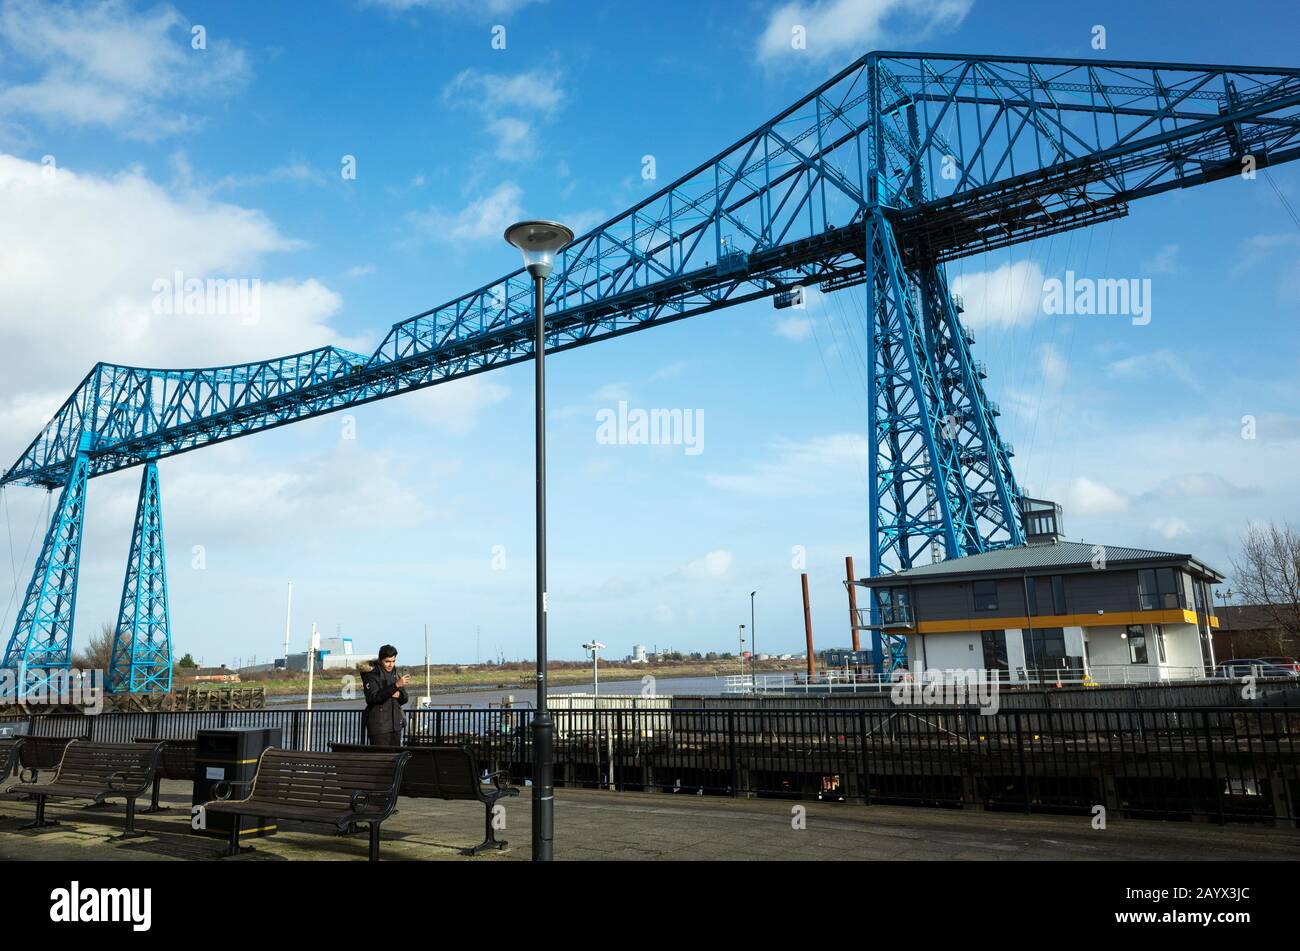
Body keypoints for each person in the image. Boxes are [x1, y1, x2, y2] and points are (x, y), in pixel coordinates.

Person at [362, 645, 410, 746]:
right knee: (380, 758)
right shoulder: (371, 674)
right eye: (387, 661)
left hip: (396, 726)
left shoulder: (395, 673)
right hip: (379, 727)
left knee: (395, 758)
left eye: (393, 661)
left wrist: (399, 695)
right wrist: (396, 685)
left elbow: (405, 698)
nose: (390, 664)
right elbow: (373, 698)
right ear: (380, 660)